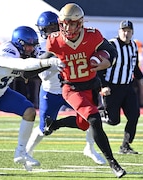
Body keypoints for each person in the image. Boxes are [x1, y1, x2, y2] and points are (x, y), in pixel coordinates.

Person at [42, 3, 126, 178]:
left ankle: (55, 124)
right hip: (71, 88)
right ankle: (113, 163)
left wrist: (105, 61)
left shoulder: (92, 35)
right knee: (95, 119)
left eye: (72, 23)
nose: (68, 27)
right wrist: (24, 71)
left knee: (84, 124)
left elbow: (111, 51)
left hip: (91, 86)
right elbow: (43, 60)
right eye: (65, 23)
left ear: (80, 23)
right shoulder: (54, 40)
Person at [26, 11, 106, 165]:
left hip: (73, 88)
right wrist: (56, 64)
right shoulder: (44, 46)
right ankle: (26, 152)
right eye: (49, 29)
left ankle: (90, 148)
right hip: (51, 90)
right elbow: (44, 73)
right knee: (44, 129)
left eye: (55, 27)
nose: (54, 31)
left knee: (91, 117)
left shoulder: (69, 39)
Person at [0, 26, 63, 169]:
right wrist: (48, 62)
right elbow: (22, 65)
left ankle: (21, 152)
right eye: (28, 46)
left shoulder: (25, 52)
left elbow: (39, 60)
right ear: (18, 43)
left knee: (29, 111)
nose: (30, 49)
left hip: (1, 93)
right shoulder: (5, 52)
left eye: (33, 46)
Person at [98, 20, 143, 154]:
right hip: (112, 87)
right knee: (113, 121)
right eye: (124, 30)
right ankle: (98, 114)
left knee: (134, 115)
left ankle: (125, 146)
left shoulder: (133, 46)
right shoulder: (111, 45)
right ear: (119, 31)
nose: (126, 33)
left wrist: (141, 78)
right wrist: (103, 86)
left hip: (127, 86)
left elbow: (134, 66)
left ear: (132, 33)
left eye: (129, 31)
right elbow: (100, 67)